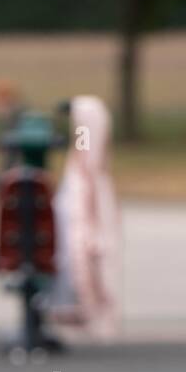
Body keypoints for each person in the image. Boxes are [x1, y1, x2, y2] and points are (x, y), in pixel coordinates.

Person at [48, 96, 122, 340]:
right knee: (77, 258)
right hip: (80, 206)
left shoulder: (88, 173)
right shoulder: (87, 169)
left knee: (85, 257)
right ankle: (79, 309)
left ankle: (91, 310)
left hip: (82, 209)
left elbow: (87, 161)